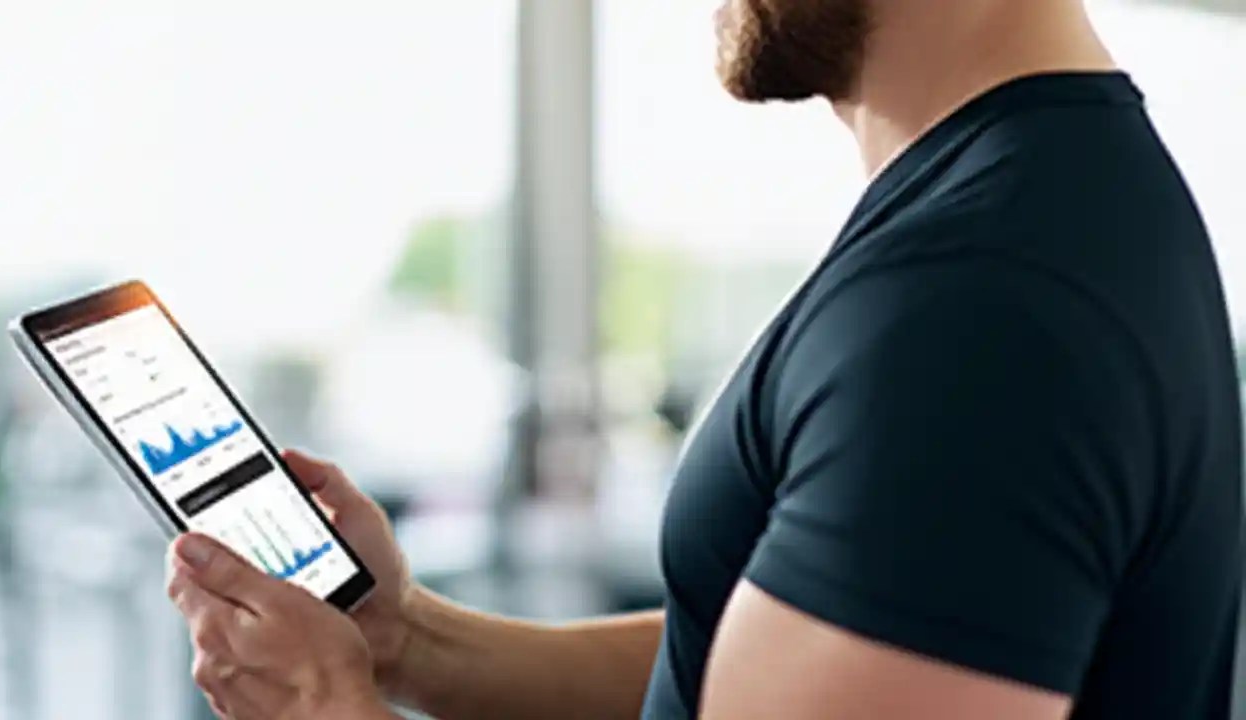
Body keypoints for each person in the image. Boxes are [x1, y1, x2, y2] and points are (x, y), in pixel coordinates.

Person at [165, 0, 1245, 718]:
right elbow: (766, 657)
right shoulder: (1036, 207)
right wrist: (408, 642)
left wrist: (328, 708)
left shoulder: (977, 310)